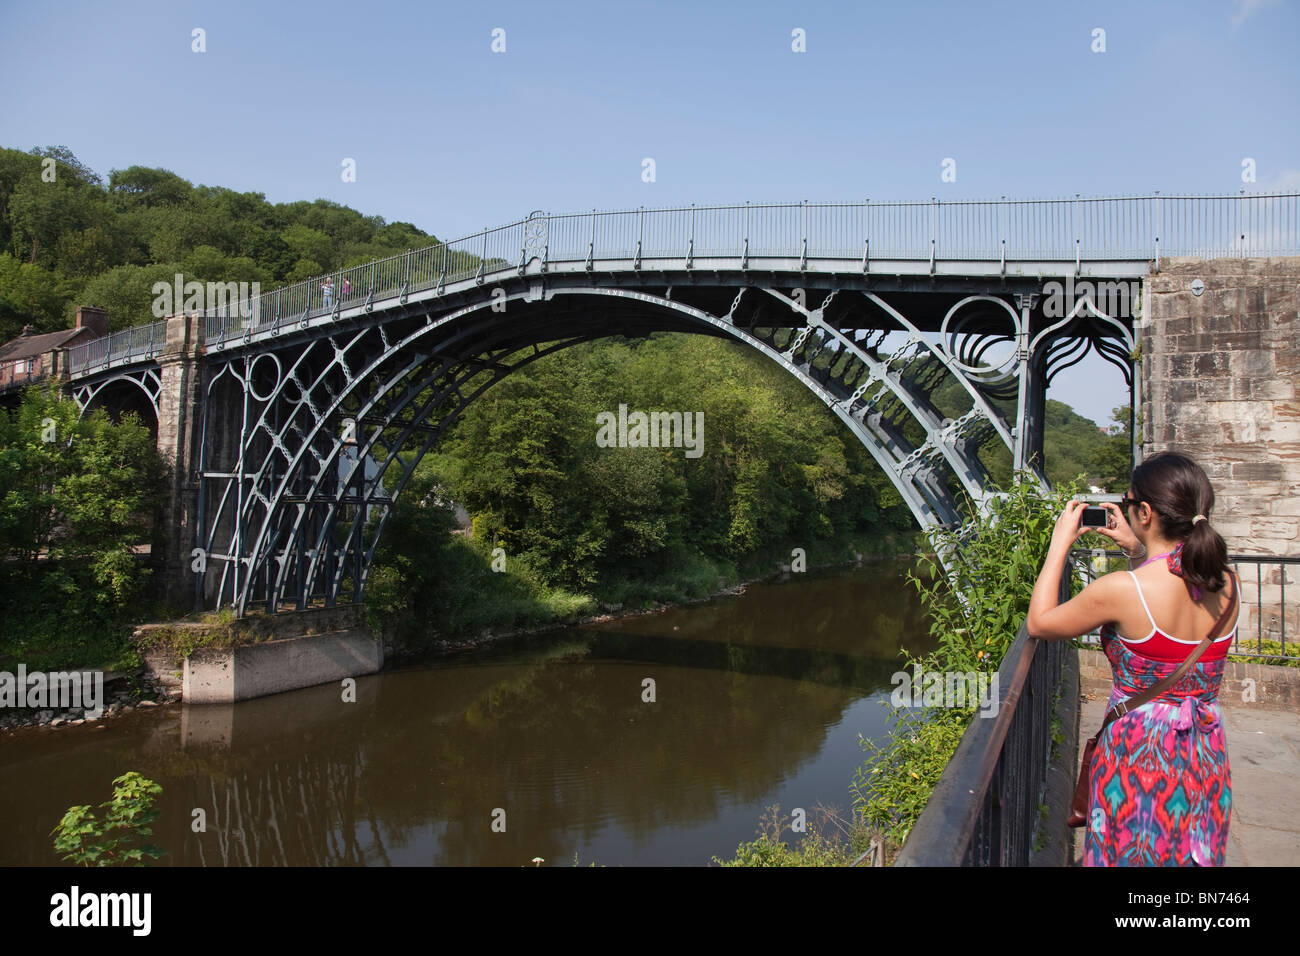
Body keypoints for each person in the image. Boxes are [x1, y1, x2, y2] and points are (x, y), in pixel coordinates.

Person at [1025, 452, 1239, 866]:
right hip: (1203, 751)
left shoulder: (1123, 590)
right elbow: (1173, 592)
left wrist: (1059, 545)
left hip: (1138, 754)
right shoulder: (1228, 581)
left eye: (1128, 502)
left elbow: (1040, 623)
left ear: (1144, 512)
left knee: (1129, 853)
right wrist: (1138, 549)